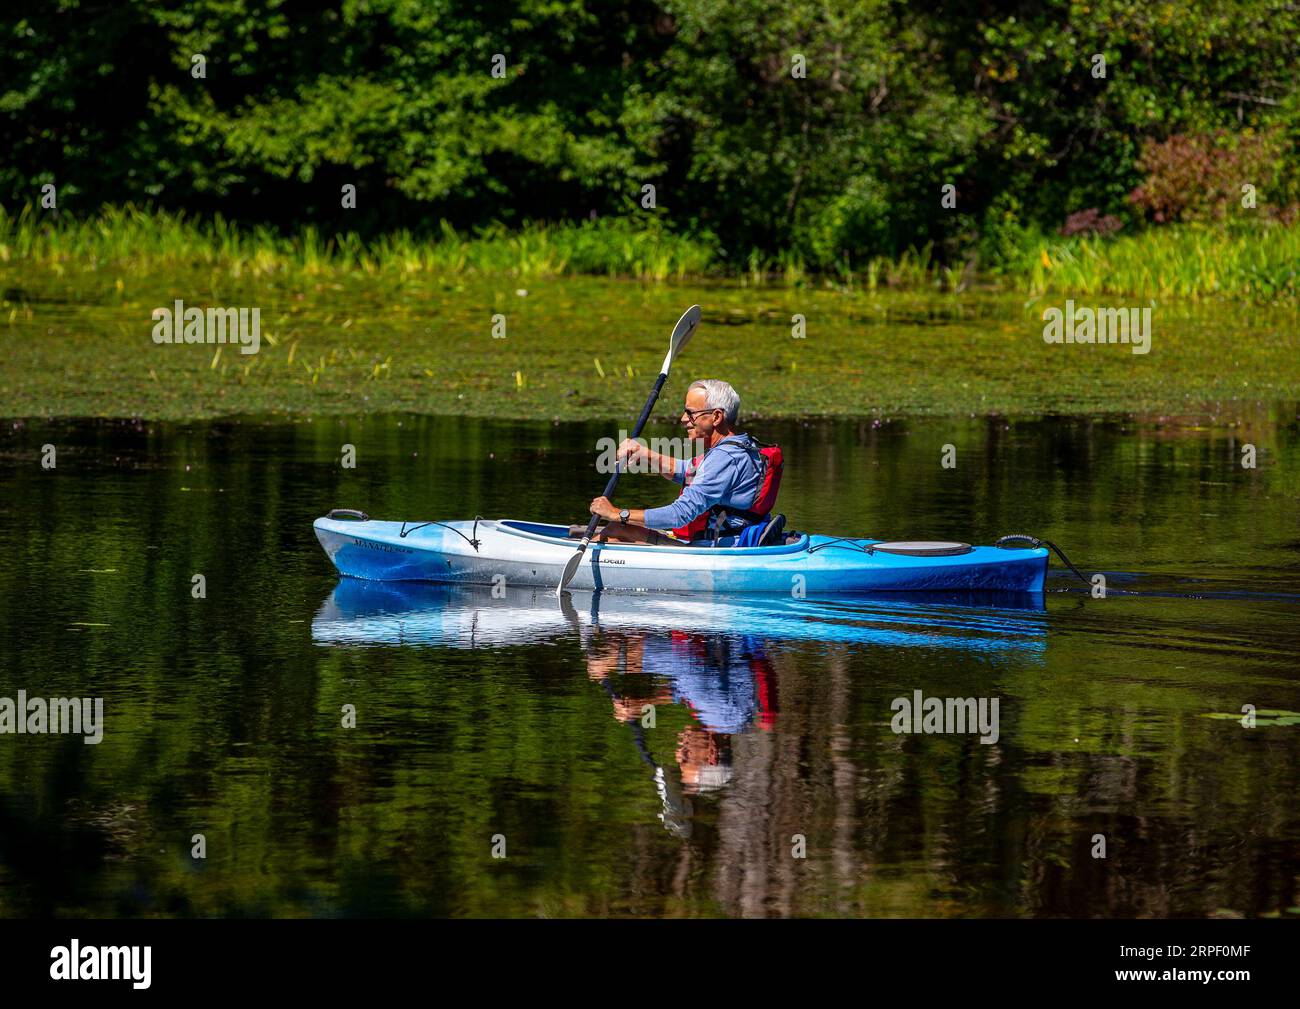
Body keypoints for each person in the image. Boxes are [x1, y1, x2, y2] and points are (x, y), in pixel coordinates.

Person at [588, 379, 775, 545]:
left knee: (616, 529)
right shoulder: (741, 445)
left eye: (690, 412)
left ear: (716, 417)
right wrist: (642, 453)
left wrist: (617, 513)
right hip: (726, 540)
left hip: (713, 551)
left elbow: (680, 515)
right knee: (621, 526)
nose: (683, 419)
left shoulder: (725, 459)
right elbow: (687, 471)